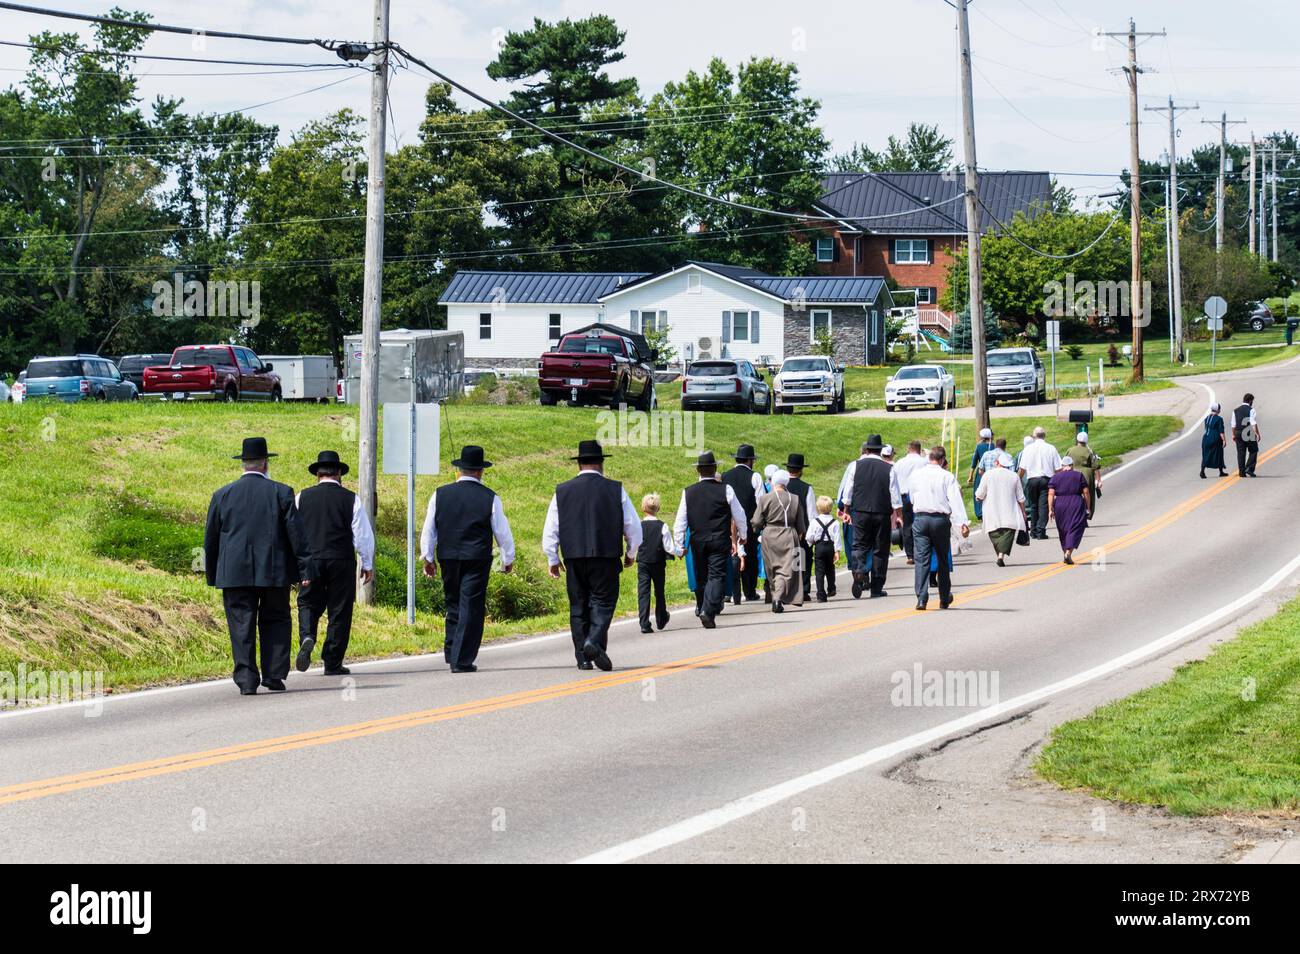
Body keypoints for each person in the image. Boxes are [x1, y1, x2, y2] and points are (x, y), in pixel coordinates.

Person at [203, 437, 313, 695]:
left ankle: (246, 679)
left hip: (233, 572)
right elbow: (297, 535)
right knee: (275, 619)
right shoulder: (281, 492)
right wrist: (305, 570)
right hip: (273, 570)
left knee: (241, 623)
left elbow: (211, 539)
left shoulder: (222, 495)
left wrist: (212, 573)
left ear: (243, 464)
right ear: (265, 463)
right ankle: (274, 674)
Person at [543, 440, 640, 671]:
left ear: (579, 464)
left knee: (579, 606)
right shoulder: (616, 489)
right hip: (605, 556)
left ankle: (584, 658)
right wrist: (631, 553)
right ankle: (594, 641)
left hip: (574, 557)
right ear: (601, 463)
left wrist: (552, 558)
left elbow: (551, 528)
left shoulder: (562, 491)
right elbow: (633, 526)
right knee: (603, 602)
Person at [421, 445, 516, 673]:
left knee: (453, 602)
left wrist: (428, 556)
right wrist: (507, 558)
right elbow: (502, 532)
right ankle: (461, 659)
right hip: (476, 557)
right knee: (471, 606)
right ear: (480, 471)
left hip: (448, 556)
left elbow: (429, 528)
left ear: (459, 469)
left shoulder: (440, 494)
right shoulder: (490, 497)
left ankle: (451, 650)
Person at [294, 450, 376, 677]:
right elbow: (362, 536)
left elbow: (294, 531)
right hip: (341, 559)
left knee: (308, 602)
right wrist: (367, 564)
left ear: (317, 474)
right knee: (340, 610)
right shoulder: (351, 499)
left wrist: (296, 562)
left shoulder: (301, 497)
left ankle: (307, 635)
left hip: (311, 559)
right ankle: (332, 661)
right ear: (339, 473)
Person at [674, 451, 749, 629]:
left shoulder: (688, 492)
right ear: (714, 468)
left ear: (698, 470)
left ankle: (702, 607)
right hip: (718, 538)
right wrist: (743, 535)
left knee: (701, 576)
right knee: (716, 575)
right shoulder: (726, 489)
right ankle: (708, 610)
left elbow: (680, 521)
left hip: (697, 539)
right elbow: (739, 515)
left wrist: (679, 544)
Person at [837, 435, 902, 598]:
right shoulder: (888, 468)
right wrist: (899, 515)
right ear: (880, 450)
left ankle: (859, 572)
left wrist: (846, 509)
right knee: (880, 548)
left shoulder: (856, 466)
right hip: (881, 512)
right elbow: (895, 495)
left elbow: (848, 490)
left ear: (867, 449)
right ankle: (877, 586)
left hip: (860, 511)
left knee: (859, 544)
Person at [908, 445, 969, 611]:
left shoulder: (916, 475)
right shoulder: (947, 476)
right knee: (942, 558)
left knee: (921, 560)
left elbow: (912, 497)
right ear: (942, 460)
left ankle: (921, 598)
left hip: (920, 518)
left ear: (930, 459)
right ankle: (944, 597)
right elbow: (955, 500)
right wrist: (962, 522)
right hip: (940, 519)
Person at [752, 470, 809, 613]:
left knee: (772, 568)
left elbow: (757, 521)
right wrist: (800, 536)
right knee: (788, 570)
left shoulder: (765, 498)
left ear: (773, 482)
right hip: (790, 534)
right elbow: (801, 523)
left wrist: (756, 530)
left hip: (770, 535)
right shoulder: (795, 498)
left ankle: (775, 596)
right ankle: (779, 597)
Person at [722, 444, 764, 604]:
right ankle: (749, 590)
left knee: (730, 555)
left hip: (728, 522)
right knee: (751, 557)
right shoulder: (755, 477)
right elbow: (760, 502)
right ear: (749, 460)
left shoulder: (726, 476)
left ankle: (730, 591)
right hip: (749, 521)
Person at [636, 493, 681, 633]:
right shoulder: (663, 526)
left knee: (643, 592)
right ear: (658, 508)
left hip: (643, 561)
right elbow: (669, 548)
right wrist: (680, 552)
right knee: (659, 591)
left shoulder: (639, 525)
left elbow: (635, 542)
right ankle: (661, 618)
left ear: (643, 508)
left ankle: (644, 623)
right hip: (658, 561)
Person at [974, 451, 1027, 567]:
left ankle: (1000, 554)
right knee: (1009, 532)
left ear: (997, 462)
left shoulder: (988, 474)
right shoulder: (1014, 476)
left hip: (992, 509)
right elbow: (1021, 497)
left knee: (994, 533)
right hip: (1009, 509)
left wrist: (978, 497)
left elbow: (980, 493)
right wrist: (1023, 511)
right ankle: (1001, 555)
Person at [1018, 427, 1061, 540]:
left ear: (1034, 436)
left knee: (1033, 505)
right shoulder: (1051, 448)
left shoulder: (1028, 449)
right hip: (1046, 479)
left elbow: (1022, 469)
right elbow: (1058, 468)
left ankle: (1033, 530)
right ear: (1044, 435)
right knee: (1044, 506)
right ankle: (1040, 530)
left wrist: (1018, 480)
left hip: (1032, 479)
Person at [784, 453, 818, 599]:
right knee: (803, 560)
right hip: (801, 530)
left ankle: (787, 589)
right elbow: (812, 514)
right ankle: (803, 589)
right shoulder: (806, 488)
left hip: (784, 529)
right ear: (800, 470)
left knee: (786, 561)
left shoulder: (782, 488)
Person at [1047, 456, 1090, 564]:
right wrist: (1088, 506)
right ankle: (1068, 553)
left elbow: (1051, 493)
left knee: (1063, 529)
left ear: (1062, 466)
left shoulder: (1055, 477)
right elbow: (1086, 492)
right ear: (1072, 465)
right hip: (1076, 502)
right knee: (1075, 527)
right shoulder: (1079, 475)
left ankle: (1065, 552)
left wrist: (1050, 509)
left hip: (1060, 504)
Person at [892, 440, 927, 565]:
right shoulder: (924, 462)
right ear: (919, 449)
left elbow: (893, 482)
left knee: (907, 525)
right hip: (919, 495)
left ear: (908, 449)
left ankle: (910, 554)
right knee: (921, 523)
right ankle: (920, 551)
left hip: (904, 495)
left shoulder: (899, 463)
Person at [806, 495, 843, 602]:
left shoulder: (814, 522)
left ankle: (821, 594)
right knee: (830, 569)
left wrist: (811, 542)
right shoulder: (835, 522)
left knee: (819, 571)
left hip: (819, 547)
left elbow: (809, 536)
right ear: (831, 508)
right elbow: (837, 538)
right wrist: (837, 551)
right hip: (830, 547)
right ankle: (831, 588)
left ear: (818, 508)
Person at [1065, 431, 1102, 519]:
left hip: (1073, 475)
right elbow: (1095, 467)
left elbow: (1065, 463)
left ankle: (1073, 514)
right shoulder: (1089, 451)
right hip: (1086, 476)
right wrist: (1098, 480)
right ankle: (1087, 511)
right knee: (1088, 494)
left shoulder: (1070, 450)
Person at [968, 427, 995, 520]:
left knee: (978, 491)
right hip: (992, 472)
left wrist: (970, 476)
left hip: (981, 473)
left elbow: (974, 462)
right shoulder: (993, 446)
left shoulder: (979, 447)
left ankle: (980, 512)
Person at [1231, 393, 1260, 478]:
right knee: (1254, 450)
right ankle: (1249, 468)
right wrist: (1257, 434)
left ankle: (1241, 472)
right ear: (1250, 401)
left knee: (1241, 453)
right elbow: (1253, 423)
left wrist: (1233, 434)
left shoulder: (1235, 410)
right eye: (1252, 401)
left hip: (1238, 432)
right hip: (1248, 432)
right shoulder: (1251, 410)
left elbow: (1233, 424)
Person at [1200, 402, 1229, 478]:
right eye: (1219, 408)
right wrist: (1224, 440)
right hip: (1215, 438)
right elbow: (1221, 431)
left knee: (1205, 454)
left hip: (1206, 438)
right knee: (1219, 454)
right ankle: (1221, 471)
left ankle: (1202, 471)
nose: (1220, 410)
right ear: (1217, 410)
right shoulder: (1219, 419)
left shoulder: (1207, 418)